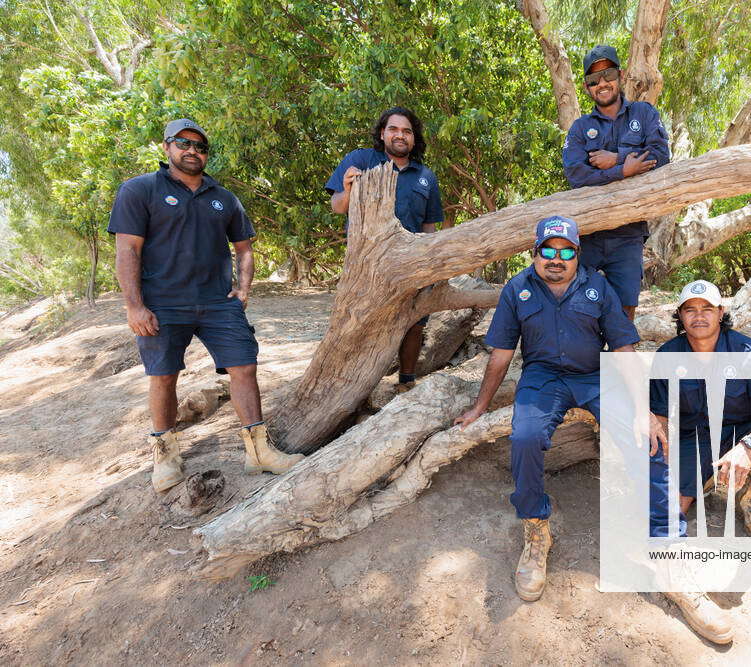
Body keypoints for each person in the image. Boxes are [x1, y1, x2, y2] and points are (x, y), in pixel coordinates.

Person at [454, 215, 646, 603]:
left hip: (594, 376)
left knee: (643, 436)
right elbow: (501, 353)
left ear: (578, 254)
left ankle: (654, 527)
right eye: (548, 250)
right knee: (525, 437)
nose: (556, 259)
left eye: (566, 252)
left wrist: (643, 408)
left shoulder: (599, 287)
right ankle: (536, 529)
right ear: (535, 252)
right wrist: (480, 406)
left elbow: (623, 348)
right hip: (543, 377)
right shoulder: (517, 289)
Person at [108, 118, 303, 493]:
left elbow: (244, 249)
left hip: (218, 302)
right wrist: (134, 306)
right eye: (183, 143)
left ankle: (258, 452)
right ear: (166, 147)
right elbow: (127, 250)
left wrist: (243, 289)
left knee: (244, 367)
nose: (192, 151)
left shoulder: (224, 198)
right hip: (162, 303)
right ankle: (165, 456)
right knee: (164, 375)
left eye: (200, 146)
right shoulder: (140, 190)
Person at [648, 279, 751, 643]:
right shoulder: (668, 354)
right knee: (672, 503)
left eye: (707, 309)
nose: (699, 316)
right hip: (694, 437)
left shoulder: (747, 350)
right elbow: (661, 414)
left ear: (721, 313)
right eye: (690, 309)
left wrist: (748, 447)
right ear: (680, 316)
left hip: (742, 433)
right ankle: (696, 492)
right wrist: (662, 457)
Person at [325, 106, 444, 391]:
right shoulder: (360, 160)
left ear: (414, 138)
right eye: (393, 129)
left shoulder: (426, 176)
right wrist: (348, 190)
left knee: (414, 322)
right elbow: (337, 206)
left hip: (411, 262)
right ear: (382, 133)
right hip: (367, 264)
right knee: (361, 323)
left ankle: (406, 381)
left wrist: (433, 264)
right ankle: (351, 388)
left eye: (407, 131)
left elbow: (429, 226)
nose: (400, 135)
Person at [562, 44, 671, 320]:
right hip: (588, 233)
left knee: (624, 312)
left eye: (608, 74)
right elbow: (577, 176)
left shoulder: (644, 114)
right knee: (579, 311)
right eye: (593, 79)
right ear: (587, 87)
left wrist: (616, 158)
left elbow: (660, 157)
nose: (602, 83)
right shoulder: (579, 129)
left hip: (628, 235)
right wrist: (625, 171)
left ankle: (618, 350)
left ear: (620, 75)